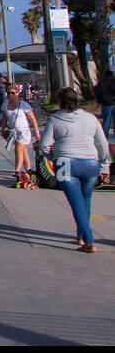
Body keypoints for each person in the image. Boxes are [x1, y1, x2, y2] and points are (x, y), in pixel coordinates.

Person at [41, 86, 111, 253]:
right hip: (90, 163)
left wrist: (53, 156)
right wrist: (104, 164)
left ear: (59, 102)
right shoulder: (91, 118)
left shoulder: (55, 119)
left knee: (76, 203)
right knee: (85, 199)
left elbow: (44, 145)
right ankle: (81, 234)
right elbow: (102, 143)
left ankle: (88, 241)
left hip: (65, 162)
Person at [1, 84, 41, 181]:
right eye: (8, 93)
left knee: (18, 150)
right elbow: (4, 119)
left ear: (17, 93)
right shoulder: (5, 105)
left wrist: (37, 132)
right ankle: (29, 170)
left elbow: (32, 118)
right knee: (23, 151)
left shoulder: (24, 105)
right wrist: (2, 130)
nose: (10, 95)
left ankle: (17, 170)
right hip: (13, 132)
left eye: (13, 93)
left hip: (24, 131)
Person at [97, 70, 115, 140]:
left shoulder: (101, 83)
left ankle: (104, 135)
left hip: (106, 103)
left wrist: (100, 101)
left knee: (106, 120)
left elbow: (98, 93)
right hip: (114, 103)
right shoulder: (113, 82)